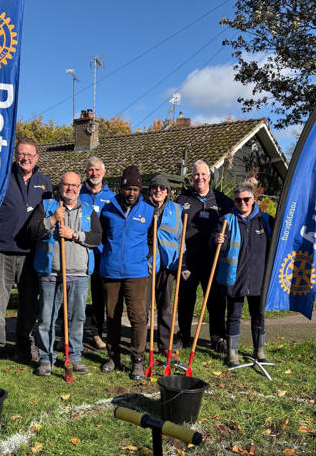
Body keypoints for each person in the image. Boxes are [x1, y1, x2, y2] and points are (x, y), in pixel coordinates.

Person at [0, 138, 53, 368]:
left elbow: (49, 217)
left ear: (37, 158)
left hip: (32, 253)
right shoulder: (1, 178)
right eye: (21, 154)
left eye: (30, 155)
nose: (25, 158)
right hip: (2, 250)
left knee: (29, 305)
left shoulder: (45, 183)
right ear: (15, 155)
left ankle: (23, 345)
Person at [27, 172, 102, 376]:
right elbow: (32, 230)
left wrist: (74, 234)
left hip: (79, 274)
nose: (71, 189)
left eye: (75, 185)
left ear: (80, 187)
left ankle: (74, 357)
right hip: (51, 273)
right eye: (67, 185)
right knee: (47, 318)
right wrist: (52, 219)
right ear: (60, 186)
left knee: (77, 318)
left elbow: (97, 237)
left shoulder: (88, 210)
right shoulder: (47, 206)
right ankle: (46, 359)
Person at [99, 165, 154, 380]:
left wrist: (145, 258)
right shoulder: (108, 209)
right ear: (121, 188)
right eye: (128, 188)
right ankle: (113, 356)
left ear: (140, 190)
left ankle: (137, 360)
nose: (131, 193)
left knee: (138, 317)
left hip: (136, 272)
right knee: (112, 316)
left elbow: (152, 239)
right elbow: (101, 236)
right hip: (111, 271)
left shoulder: (148, 211)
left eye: (135, 189)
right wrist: (108, 254)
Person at [213, 182, 274, 367]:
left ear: (253, 199)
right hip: (235, 277)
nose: (243, 203)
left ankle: (259, 351)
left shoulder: (265, 220)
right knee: (233, 315)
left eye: (246, 199)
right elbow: (217, 246)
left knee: (258, 315)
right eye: (238, 200)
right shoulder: (226, 221)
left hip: (259, 278)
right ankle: (232, 354)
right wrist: (217, 241)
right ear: (234, 201)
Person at [175, 160, 233, 352]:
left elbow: (234, 223)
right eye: (196, 174)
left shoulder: (222, 201)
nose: (199, 178)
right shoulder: (182, 200)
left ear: (209, 177)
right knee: (185, 299)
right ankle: (184, 335)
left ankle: (218, 337)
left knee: (216, 301)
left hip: (213, 261)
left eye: (203, 174)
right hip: (189, 260)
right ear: (192, 177)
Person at [145, 174, 184, 353]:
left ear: (168, 191)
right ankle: (139, 345)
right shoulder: (142, 207)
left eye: (162, 188)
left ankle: (165, 345)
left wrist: (182, 262)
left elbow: (180, 237)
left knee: (165, 307)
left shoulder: (177, 209)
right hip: (146, 263)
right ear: (150, 190)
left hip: (168, 264)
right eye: (155, 187)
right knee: (142, 307)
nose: (158, 191)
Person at [79, 156, 114, 350]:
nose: (94, 173)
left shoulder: (112, 198)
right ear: (86, 172)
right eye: (91, 170)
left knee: (99, 297)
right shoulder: (78, 194)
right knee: (76, 294)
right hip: (80, 253)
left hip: (102, 255)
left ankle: (97, 332)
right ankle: (70, 332)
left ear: (104, 172)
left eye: (97, 170)